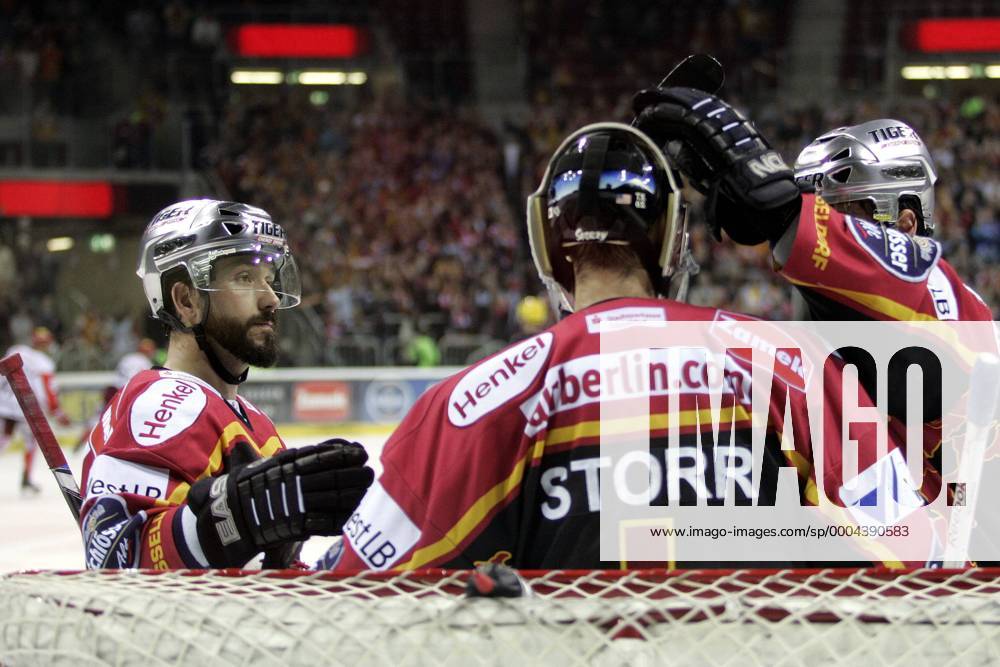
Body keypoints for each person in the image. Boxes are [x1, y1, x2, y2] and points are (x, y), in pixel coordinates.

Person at [325, 123, 931, 572]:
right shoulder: (785, 360)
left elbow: (353, 588)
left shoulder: (477, 399)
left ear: (546, 243)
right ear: (673, 237)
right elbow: (913, 548)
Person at [78, 199, 374, 569]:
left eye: (269, 278)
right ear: (186, 301)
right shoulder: (167, 403)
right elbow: (115, 558)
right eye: (244, 278)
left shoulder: (253, 420)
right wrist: (234, 520)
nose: (270, 298)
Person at [0, 327, 71, 494]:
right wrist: (57, 412)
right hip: (24, 406)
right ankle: (26, 479)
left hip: (3, 403)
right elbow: (49, 392)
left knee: (4, 439)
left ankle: (26, 479)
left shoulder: (16, 349)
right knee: (30, 443)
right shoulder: (45, 363)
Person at [74, 338, 158, 455]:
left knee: (98, 419)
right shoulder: (145, 363)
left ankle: (80, 445)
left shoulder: (128, 358)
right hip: (124, 393)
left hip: (112, 390)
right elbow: (133, 380)